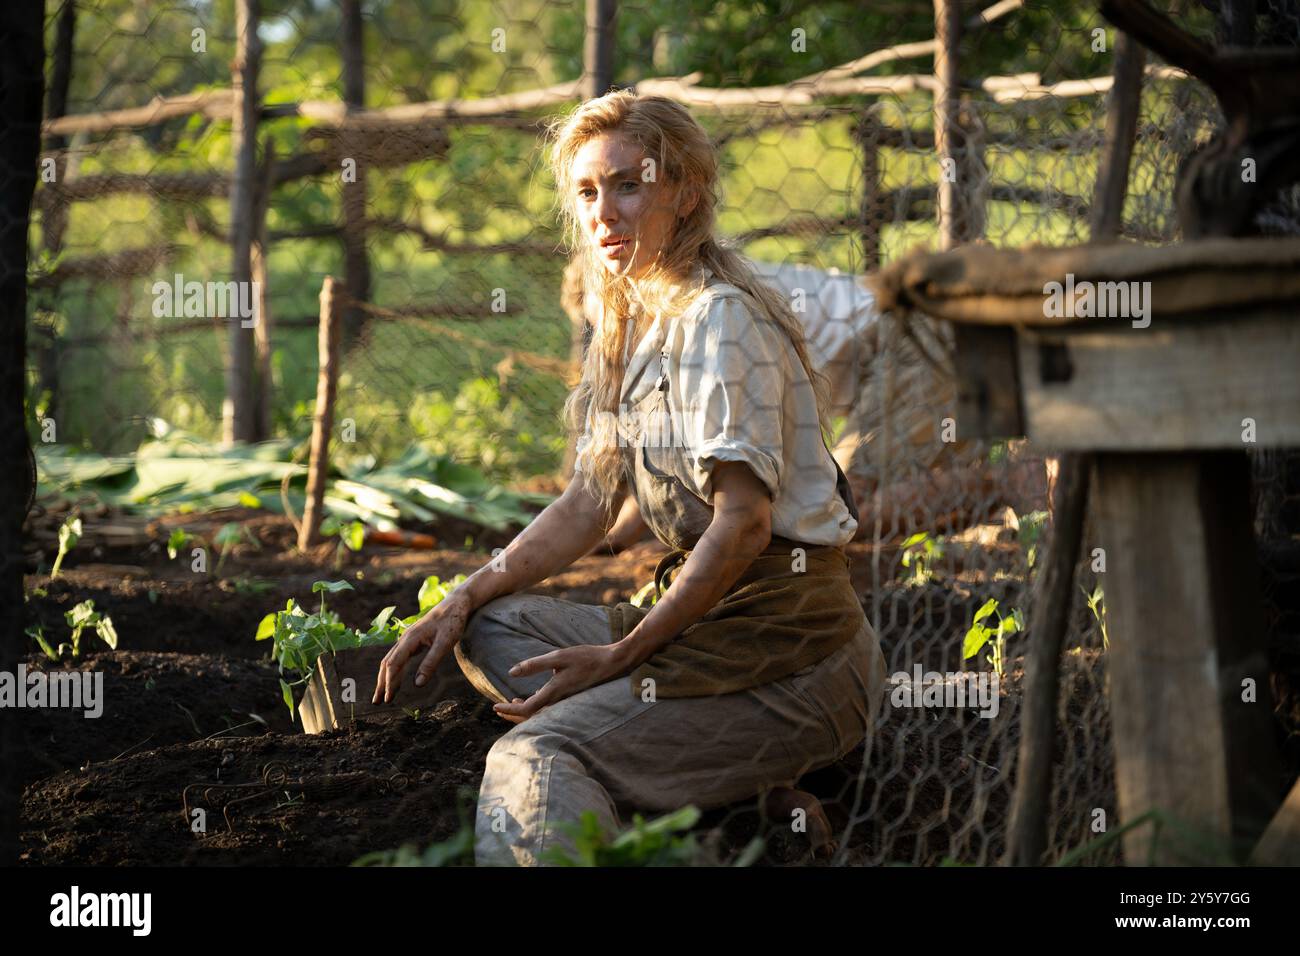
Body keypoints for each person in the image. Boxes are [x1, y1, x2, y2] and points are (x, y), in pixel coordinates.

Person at [373, 89, 888, 866]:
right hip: (705, 627)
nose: (603, 211)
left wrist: (623, 655)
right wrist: (465, 592)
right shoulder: (630, 326)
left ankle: (696, 765)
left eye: (629, 184)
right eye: (586, 191)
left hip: (791, 652)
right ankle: (734, 795)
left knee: (535, 757)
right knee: (491, 627)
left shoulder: (721, 320)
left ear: (684, 193)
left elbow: (744, 523)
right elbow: (587, 504)